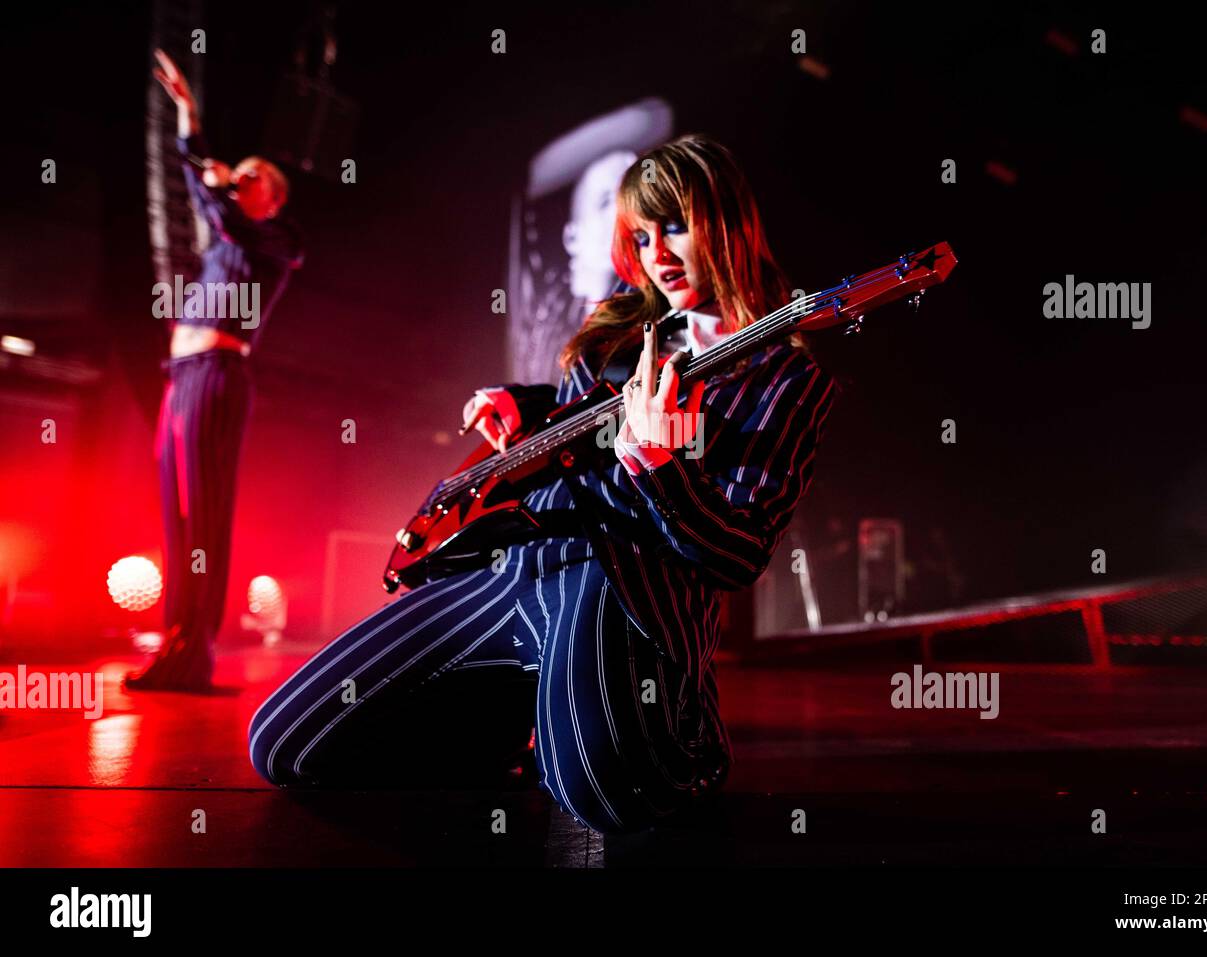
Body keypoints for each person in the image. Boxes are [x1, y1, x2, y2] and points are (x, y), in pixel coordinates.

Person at [248, 134, 838, 834]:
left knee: (604, 794)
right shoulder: (618, 329)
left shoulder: (788, 379)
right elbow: (576, 417)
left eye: (676, 224)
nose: (659, 255)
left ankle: (678, 735)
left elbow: (737, 551)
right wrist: (523, 406)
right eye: (643, 236)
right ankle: (507, 714)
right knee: (282, 743)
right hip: (515, 561)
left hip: (619, 583)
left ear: (729, 219)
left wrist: (660, 464)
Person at [127, 49, 304, 692]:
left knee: (203, 511)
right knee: (174, 514)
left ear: (272, 200)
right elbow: (210, 203)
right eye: (242, 174)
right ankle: (175, 645)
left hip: (218, 379)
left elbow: (218, 207)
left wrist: (199, 140)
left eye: (252, 177)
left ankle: (195, 650)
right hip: (182, 375)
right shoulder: (226, 242)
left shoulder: (274, 242)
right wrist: (192, 130)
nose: (239, 180)